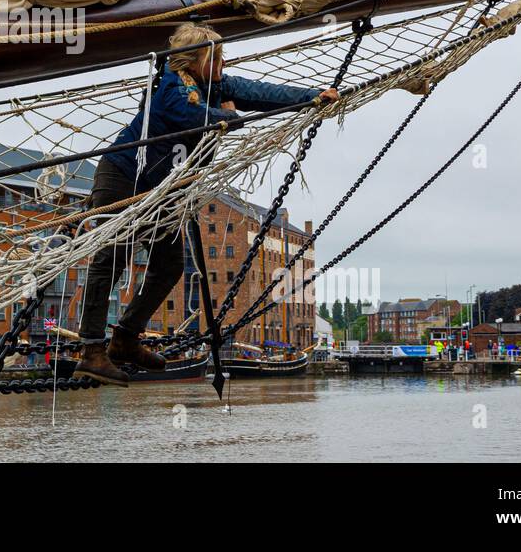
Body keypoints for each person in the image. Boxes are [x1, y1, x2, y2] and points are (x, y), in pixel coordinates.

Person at [73, 21, 339, 385]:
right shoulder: (170, 84)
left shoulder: (215, 86)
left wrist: (311, 96)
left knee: (168, 265)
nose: (223, 64)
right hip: (124, 178)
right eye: (216, 57)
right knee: (111, 258)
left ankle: (125, 337)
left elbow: (259, 92)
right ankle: (91, 350)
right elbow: (191, 116)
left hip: (164, 192)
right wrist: (230, 117)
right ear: (194, 59)